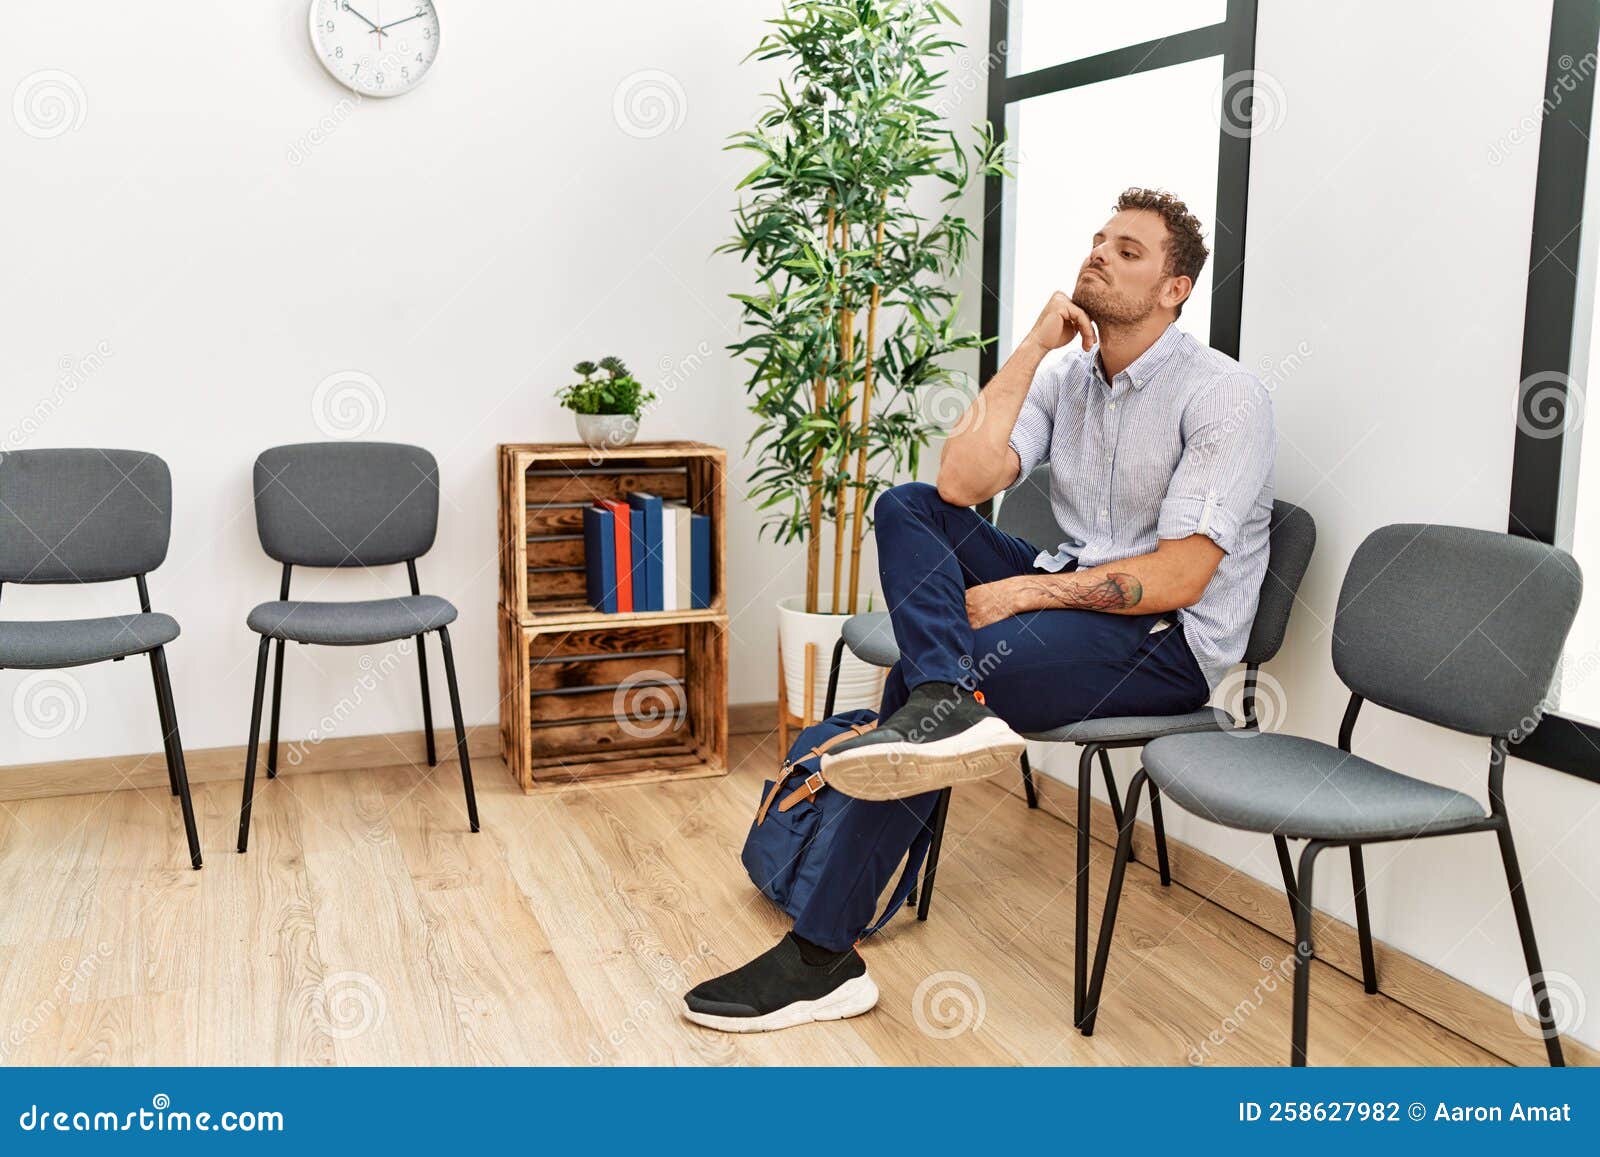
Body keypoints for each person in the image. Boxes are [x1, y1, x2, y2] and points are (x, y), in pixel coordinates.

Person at [683, 187, 1277, 1033]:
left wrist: (1024, 590)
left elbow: (1181, 576)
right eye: (1099, 239)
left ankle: (821, 955)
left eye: (1129, 250)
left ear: (1175, 289)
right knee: (907, 507)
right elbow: (960, 482)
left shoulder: (1225, 395)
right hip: (1075, 591)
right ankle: (941, 699)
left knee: (922, 697)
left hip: (1163, 641)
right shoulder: (1067, 375)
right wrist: (1032, 347)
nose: (1099, 253)